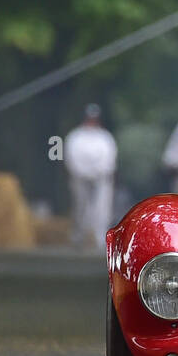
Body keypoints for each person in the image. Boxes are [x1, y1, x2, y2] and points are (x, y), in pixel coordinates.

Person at [64, 103, 117, 250]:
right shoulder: (75, 136)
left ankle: (101, 238)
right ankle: (78, 237)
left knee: (101, 208)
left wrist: (98, 171)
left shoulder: (105, 138)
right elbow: (71, 158)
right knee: (80, 206)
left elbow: (109, 159)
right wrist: (82, 172)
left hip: (100, 179)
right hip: (80, 178)